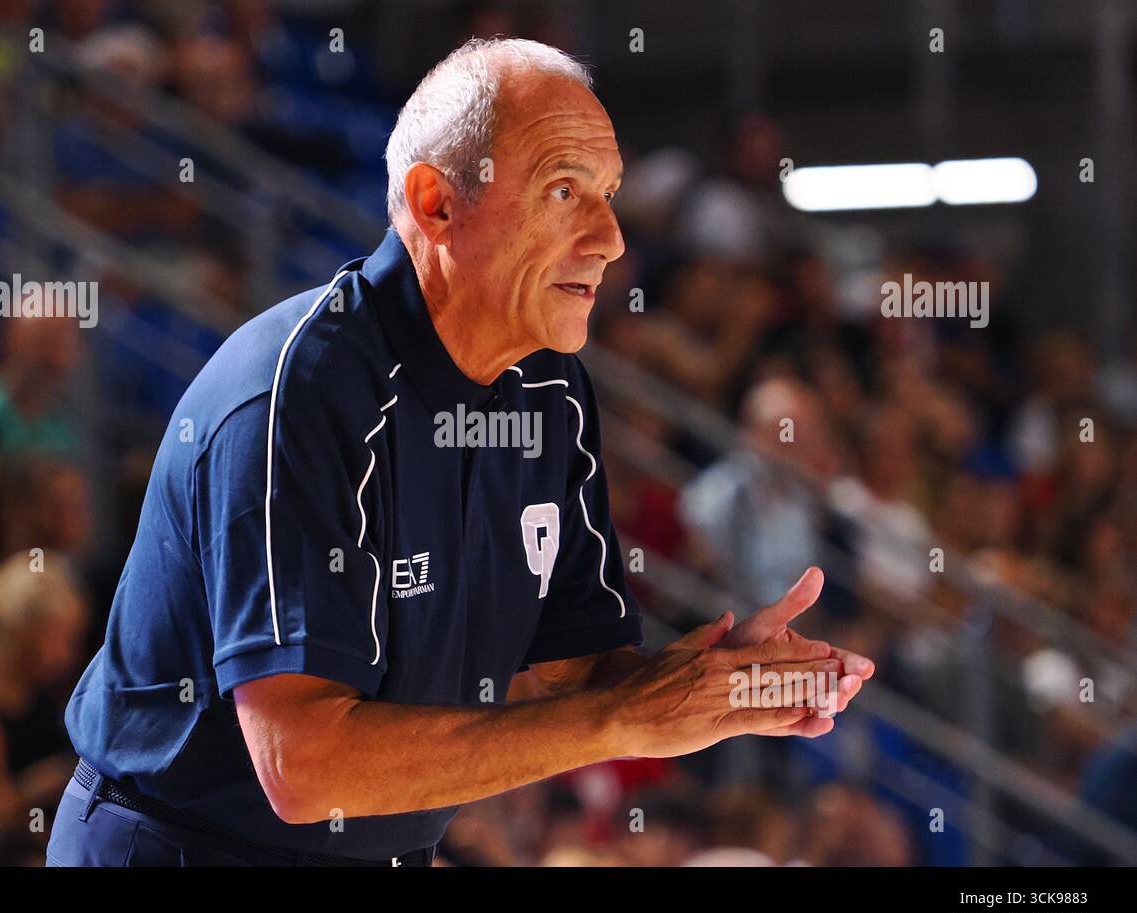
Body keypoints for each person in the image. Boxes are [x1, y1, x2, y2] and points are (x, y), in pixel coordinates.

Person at [47, 37, 875, 868]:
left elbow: (574, 679)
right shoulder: (300, 392)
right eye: (564, 191)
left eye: (610, 195)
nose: (611, 238)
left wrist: (711, 688)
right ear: (436, 203)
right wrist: (623, 719)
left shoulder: (550, 388)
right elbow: (303, 767)